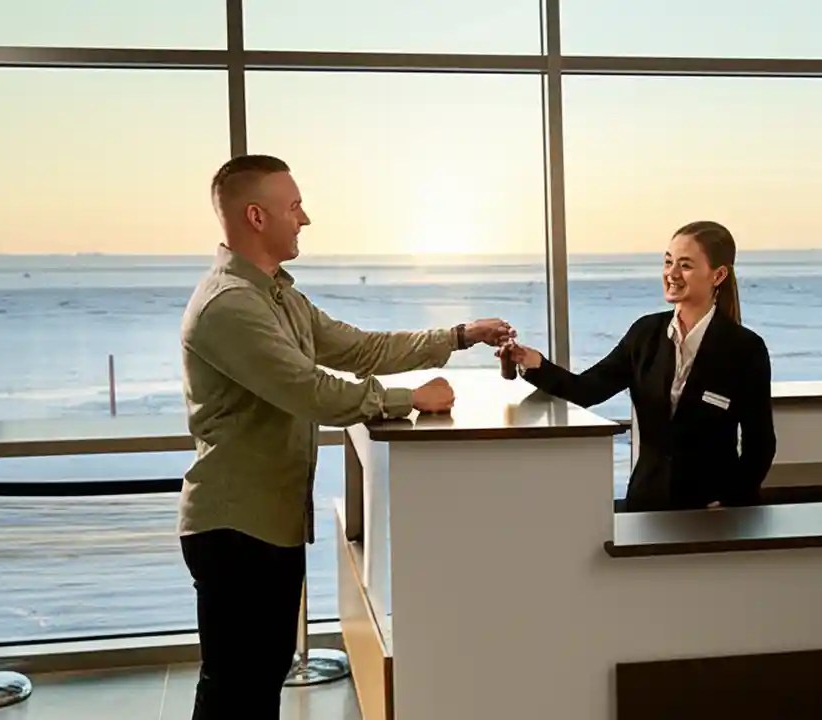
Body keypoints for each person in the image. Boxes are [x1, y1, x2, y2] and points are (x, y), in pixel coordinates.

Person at [178, 154, 513, 720]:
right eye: (294, 206)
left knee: (257, 683)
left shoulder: (277, 296)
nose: (304, 218)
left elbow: (360, 349)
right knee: (236, 689)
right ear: (256, 217)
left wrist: (458, 336)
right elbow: (311, 391)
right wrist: (411, 400)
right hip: (235, 529)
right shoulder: (230, 305)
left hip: (266, 524)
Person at [502, 220, 775, 512]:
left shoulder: (745, 349)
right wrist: (534, 364)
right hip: (647, 504)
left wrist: (732, 502)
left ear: (718, 275)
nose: (671, 273)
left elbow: (760, 443)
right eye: (668, 261)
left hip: (714, 510)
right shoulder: (645, 335)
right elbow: (587, 390)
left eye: (685, 265)